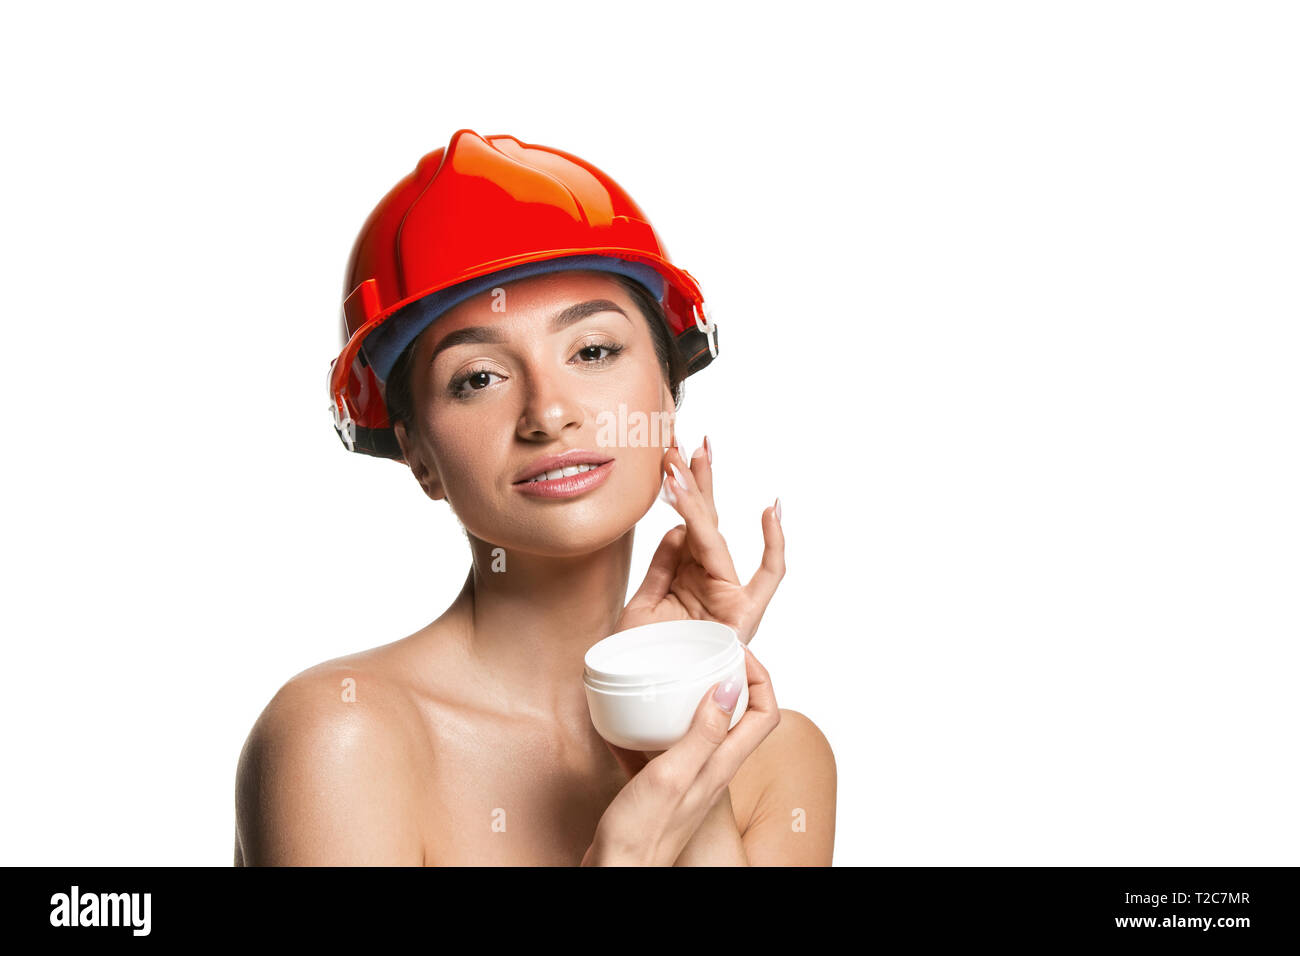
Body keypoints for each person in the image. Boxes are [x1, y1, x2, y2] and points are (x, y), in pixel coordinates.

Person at [234, 130, 836, 865]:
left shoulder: (778, 758)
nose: (548, 413)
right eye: (479, 377)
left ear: (668, 399)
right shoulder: (342, 735)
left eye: (593, 351)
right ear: (419, 453)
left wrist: (685, 730)